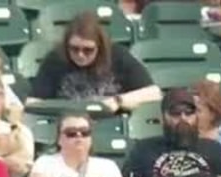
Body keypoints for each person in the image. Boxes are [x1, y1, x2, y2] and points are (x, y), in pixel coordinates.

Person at [124, 87, 221, 177]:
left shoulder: (213, 148)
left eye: (189, 113)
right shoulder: (143, 148)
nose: (183, 118)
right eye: (176, 113)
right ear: (163, 117)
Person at [28, 10, 160, 112]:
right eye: (74, 49)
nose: (80, 55)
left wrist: (118, 101)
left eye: (88, 50)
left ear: (99, 47)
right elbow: (33, 102)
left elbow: (153, 93)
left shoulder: (118, 55)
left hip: (110, 121)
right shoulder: (55, 59)